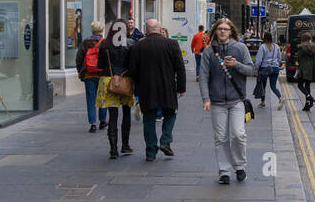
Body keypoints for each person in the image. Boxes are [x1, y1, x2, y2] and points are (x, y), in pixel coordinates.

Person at [201, 17, 257, 184]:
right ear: (215, 31)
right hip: (217, 102)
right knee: (221, 138)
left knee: (239, 134)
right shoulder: (209, 52)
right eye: (220, 29)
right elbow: (203, 76)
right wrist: (206, 99)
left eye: (226, 29)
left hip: (236, 101)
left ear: (231, 31)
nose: (223, 31)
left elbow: (251, 70)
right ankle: (224, 171)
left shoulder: (240, 48)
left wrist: (237, 65)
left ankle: (240, 166)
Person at [127, 19, 187, 162]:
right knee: (170, 114)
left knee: (148, 119)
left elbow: (132, 70)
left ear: (146, 30)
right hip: (168, 87)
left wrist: (138, 85)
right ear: (160, 29)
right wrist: (181, 87)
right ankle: (165, 141)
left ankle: (150, 152)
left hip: (147, 88)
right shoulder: (172, 44)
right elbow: (180, 67)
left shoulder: (138, 46)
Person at [93, 20, 136, 158]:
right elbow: (133, 64)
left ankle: (113, 149)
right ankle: (125, 145)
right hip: (125, 81)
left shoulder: (104, 44)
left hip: (108, 81)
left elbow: (100, 64)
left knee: (112, 116)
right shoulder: (130, 43)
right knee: (127, 112)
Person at [75, 20, 107, 133]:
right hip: (102, 75)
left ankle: (92, 123)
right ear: (102, 30)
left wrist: (81, 71)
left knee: (91, 99)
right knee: (103, 98)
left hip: (89, 74)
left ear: (92, 30)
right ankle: (103, 120)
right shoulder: (105, 42)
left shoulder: (85, 42)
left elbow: (79, 58)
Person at [254, 31, 284, 109]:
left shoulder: (262, 47)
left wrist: (256, 70)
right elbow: (280, 58)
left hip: (265, 69)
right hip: (275, 68)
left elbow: (258, 60)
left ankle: (263, 102)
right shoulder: (276, 46)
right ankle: (280, 98)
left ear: (264, 38)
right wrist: (277, 64)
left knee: (263, 85)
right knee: (273, 86)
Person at [292, 30, 315, 112]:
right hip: (312, 70)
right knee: (307, 86)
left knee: (300, 85)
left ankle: (309, 97)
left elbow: (298, 58)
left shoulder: (301, 47)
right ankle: (307, 105)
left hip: (303, 70)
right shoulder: (314, 47)